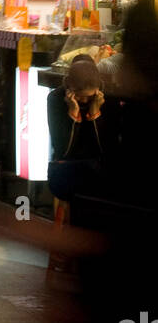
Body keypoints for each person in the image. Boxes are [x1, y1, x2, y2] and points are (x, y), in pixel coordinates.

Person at [46, 54, 120, 214]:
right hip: (67, 167)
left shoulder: (110, 99)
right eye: (80, 96)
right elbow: (62, 150)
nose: (85, 101)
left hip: (99, 165)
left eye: (90, 96)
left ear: (98, 90)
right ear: (69, 89)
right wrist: (73, 114)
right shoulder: (56, 98)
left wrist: (95, 114)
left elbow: (108, 149)